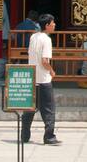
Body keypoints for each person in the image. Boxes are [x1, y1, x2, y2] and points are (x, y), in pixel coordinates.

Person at [22, 13, 60, 145]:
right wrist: (51, 70)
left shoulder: (33, 36)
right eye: (53, 23)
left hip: (33, 77)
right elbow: (44, 60)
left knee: (30, 108)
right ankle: (49, 136)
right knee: (48, 109)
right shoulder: (46, 39)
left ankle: (24, 135)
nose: (54, 25)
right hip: (44, 79)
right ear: (47, 25)